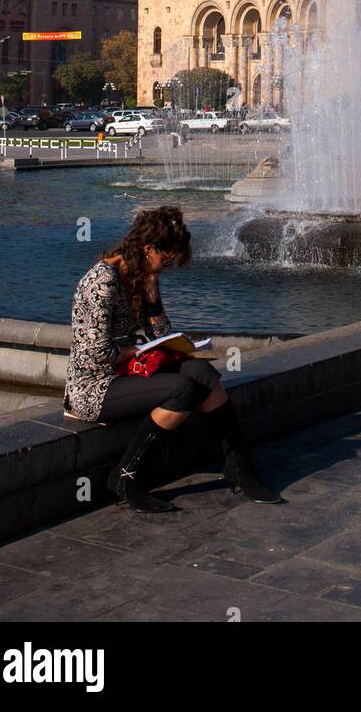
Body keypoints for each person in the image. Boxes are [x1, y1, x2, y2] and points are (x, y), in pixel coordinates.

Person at [64, 205, 281, 514]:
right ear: (148, 247)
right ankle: (125, 477)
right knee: (182, 389)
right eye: (165, 261)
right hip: (93, 387)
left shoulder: (141, 275)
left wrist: (153, 297)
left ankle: (239, 466)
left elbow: (161, 333)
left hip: (129, 370)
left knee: (204, 373)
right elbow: (95, 354)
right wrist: (134, 352)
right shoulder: (102, 282)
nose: (166, 268)